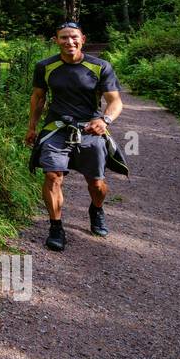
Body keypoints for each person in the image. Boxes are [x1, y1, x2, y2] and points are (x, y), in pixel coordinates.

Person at [24, 21, 124, 251]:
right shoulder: (45, 66)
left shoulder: (100, 67)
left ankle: (96, 209)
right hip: (57, 128)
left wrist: (104, 120)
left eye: (74, 37)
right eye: (64, 38)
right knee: (52, 175)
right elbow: (38, 97)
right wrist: (32, 127)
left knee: (96, 183)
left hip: (90, 129)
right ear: (56, 41)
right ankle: (56, 227)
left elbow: (115, 101)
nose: (69, 42)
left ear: (83, 39)